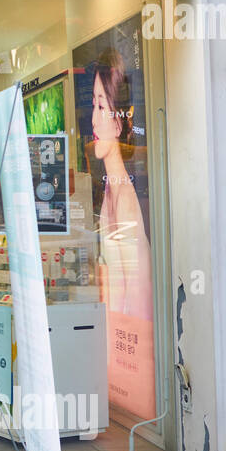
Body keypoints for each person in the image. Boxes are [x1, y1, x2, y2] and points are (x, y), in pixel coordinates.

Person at [87, 48, 153, 320]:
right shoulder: (109, 192)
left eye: (102, 107)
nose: (92, 119)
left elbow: (139, 301)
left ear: (118, 123)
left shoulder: (125, 200)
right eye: (93, 104)